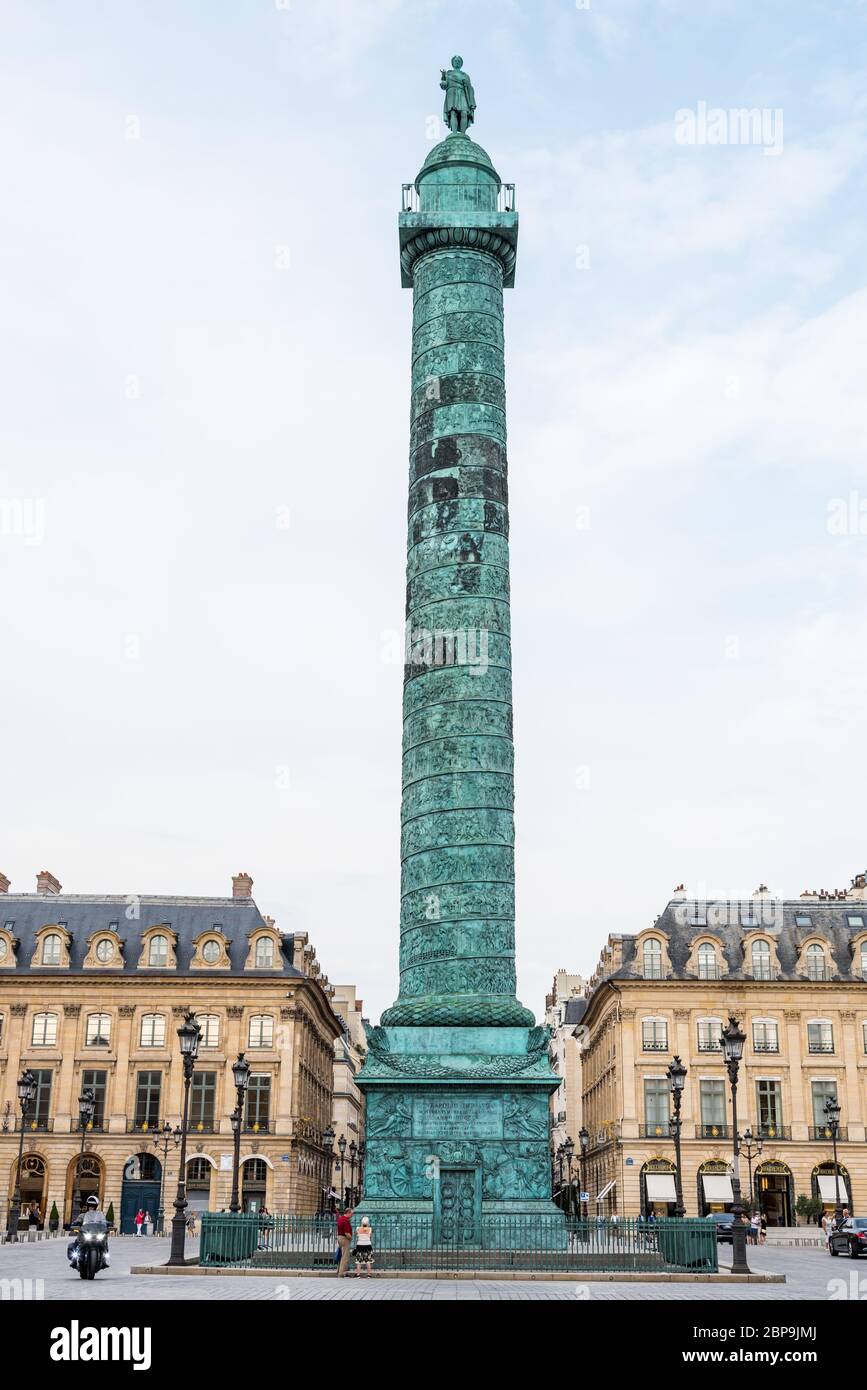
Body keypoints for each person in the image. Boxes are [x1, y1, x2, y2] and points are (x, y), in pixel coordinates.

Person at [67, 1195, 110, 1269]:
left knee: (105, 1242)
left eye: (93, 1205)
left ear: (96, 1206)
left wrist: (108, 1223)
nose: (91, 1207)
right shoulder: (82, 1215)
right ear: (87, 1205)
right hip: (86, 1234)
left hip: (96, 1234)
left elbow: (104, 1222)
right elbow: (78, 1221)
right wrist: (75, 1223)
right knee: (77, 1242)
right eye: (90, 1205)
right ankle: (74, 1260)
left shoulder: (100, 1215)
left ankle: (104, 1259)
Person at [336, 1207, 353, 1278]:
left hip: (339, 1237)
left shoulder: (341, 1219)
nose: (352, 1215)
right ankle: (341, 1273)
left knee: (341, 1255)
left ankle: (338, 1270)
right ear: (348, 1213)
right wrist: (351, 1238)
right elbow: (346, 1233)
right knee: (344, 1257)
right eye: (352, 1214)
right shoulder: (345, 1220)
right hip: (344, 1239)